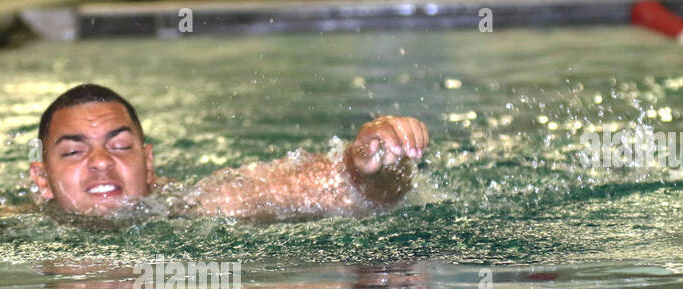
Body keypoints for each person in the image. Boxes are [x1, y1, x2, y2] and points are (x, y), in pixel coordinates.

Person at [26, 84, 429, 223]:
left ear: (148, 164)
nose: (100, 162)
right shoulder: (2, 233)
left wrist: (370, 165)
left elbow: (339, 189)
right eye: (74, 152)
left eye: (119, 146)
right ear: (42, 179)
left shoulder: (194, 206)